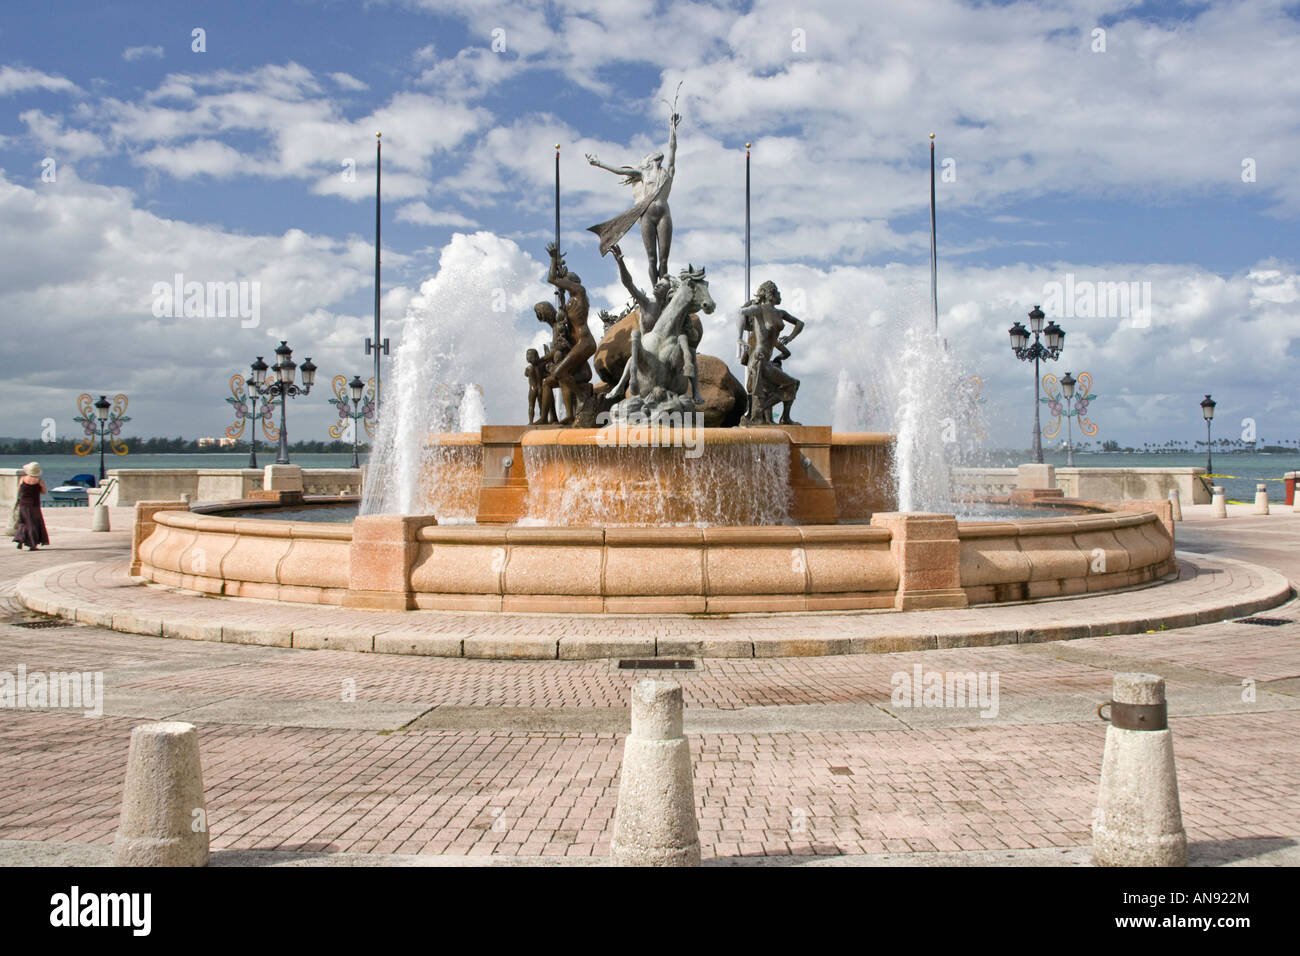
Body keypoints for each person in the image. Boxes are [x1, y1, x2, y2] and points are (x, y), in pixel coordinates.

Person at [12, 461, 49, 551]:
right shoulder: (39, 480)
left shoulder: (22, 479)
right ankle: (32, 545)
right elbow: (44, 492)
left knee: (23, 522)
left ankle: (20, 539)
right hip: (34, 505)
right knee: (33, 523)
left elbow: (19, 491)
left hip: (23, 504)